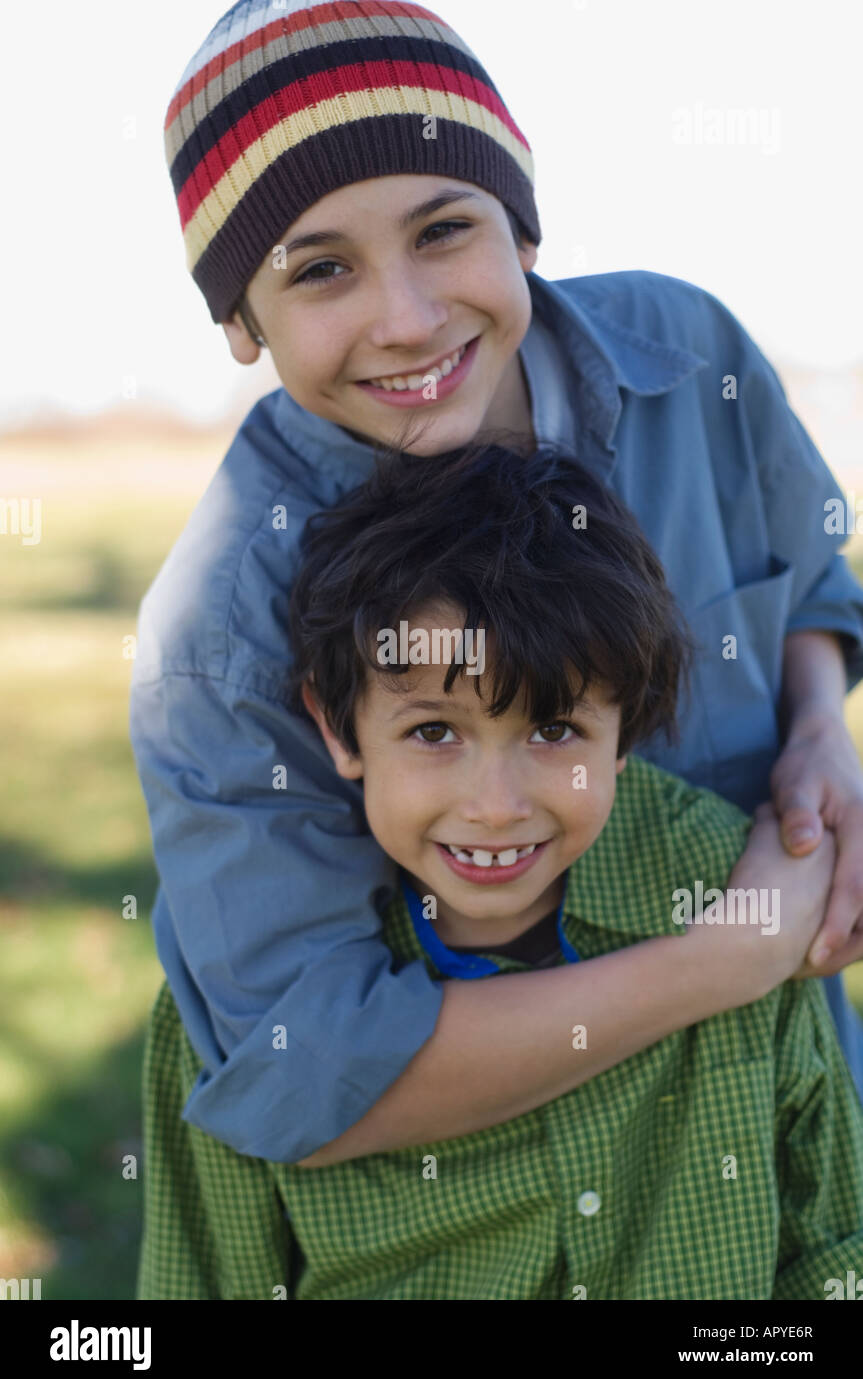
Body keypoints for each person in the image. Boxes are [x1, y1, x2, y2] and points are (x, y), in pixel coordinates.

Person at [130, 0, 863, 1170]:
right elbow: (302, 1068)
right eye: (319, 269)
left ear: (520, 225)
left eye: (441, 230)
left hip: (798, 1122)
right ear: (238, 322)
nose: (407, 320)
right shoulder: (218, 632)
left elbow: (807, 577)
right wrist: (729, 954)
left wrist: (819, 732)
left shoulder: (691, 351)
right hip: (510, 1209)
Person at [137, 444, 863, 1300]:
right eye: (433, 733)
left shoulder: (738, 891)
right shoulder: (249, 991)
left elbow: (830, 1258)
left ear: (623, 731)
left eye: (553, 730)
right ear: (337, 728)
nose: (494, 806)